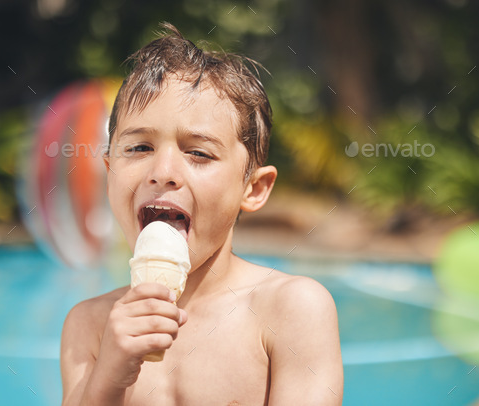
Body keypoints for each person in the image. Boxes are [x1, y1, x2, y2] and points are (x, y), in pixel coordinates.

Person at [60, 22, 343, 405]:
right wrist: (109, 377)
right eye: (140, 147)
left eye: (199, 153)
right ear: (109, 174)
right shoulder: (90, 326)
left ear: (253, 188)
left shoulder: (290, 310)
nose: (162, 173)